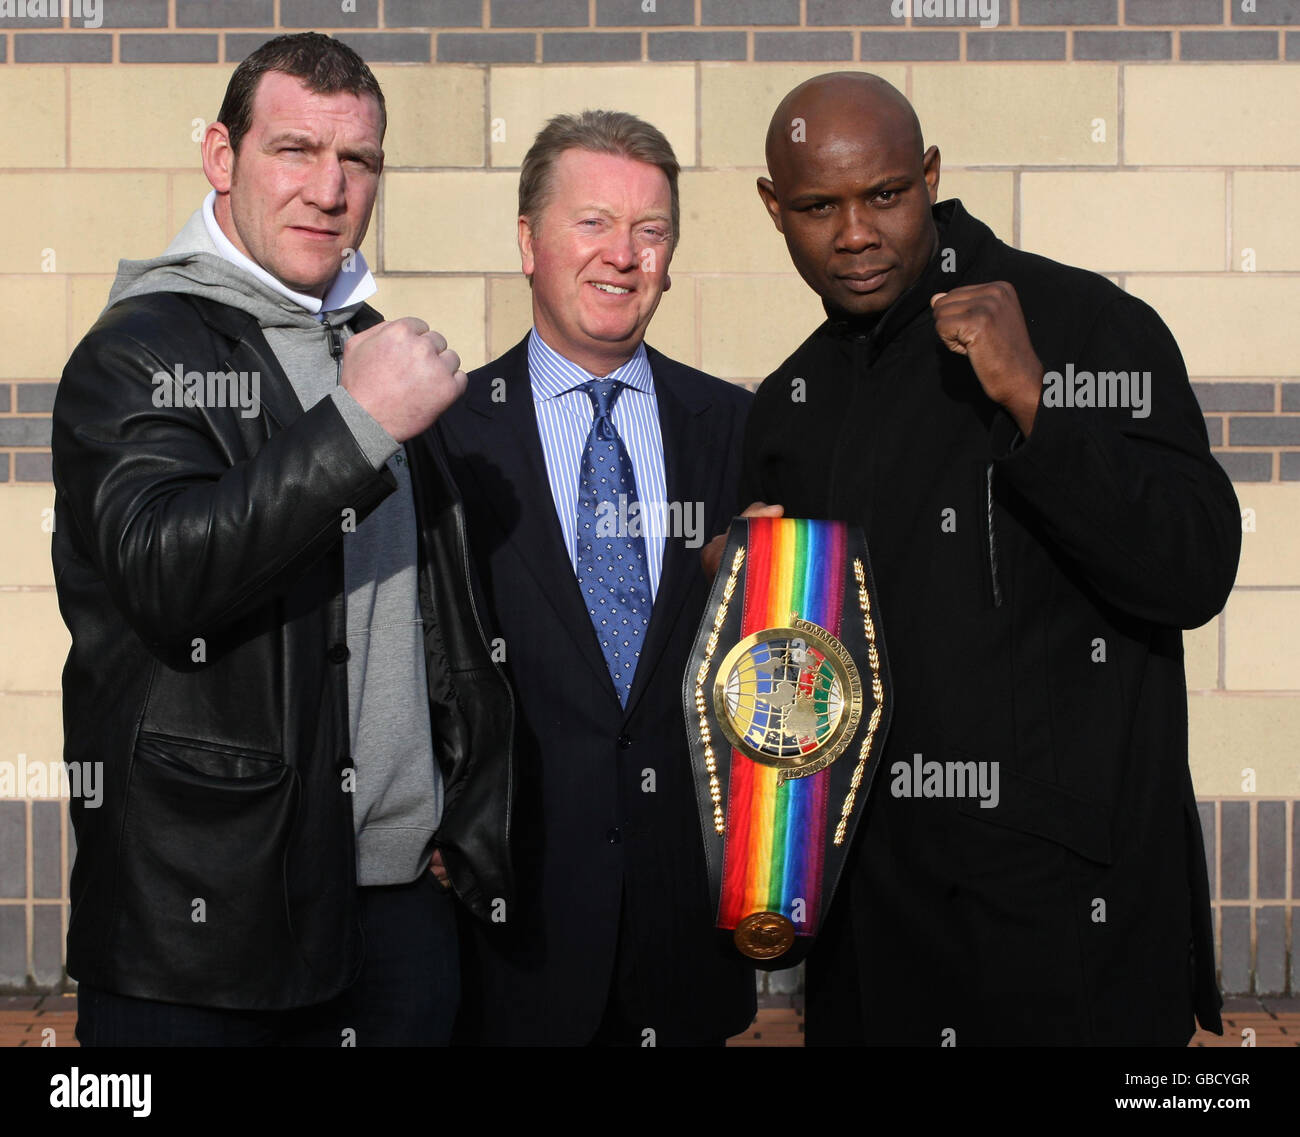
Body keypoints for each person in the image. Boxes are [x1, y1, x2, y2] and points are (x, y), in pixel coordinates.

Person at [736, 71, 1240, 1045]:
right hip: (875, 954)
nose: (853, 234)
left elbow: (1192, 568)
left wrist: (1037, 407)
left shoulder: (1084, 327)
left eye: (883, 195)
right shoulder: (790, 405)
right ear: (773, 208)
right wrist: (745, 604)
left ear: (927, 175)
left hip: (1068, 953)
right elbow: (803, 697)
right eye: (816, 207)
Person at [51, 32, 512, 1046]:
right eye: (294, 150)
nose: (329, 189)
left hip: (397, 907)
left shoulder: (366, 340)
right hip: (204, 927)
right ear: (222, 157)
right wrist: (356, 425)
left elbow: (433, 611)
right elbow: (167, 573)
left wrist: (456, 800)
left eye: (358, 162)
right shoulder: (140, 347)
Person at [438, 110, 757, 1046]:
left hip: (685, 934)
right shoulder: (449, 433)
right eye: (592, 223)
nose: (623, 254)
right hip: (511, 929)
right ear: (528, 242)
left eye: (650, 230)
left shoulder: (741, 429)